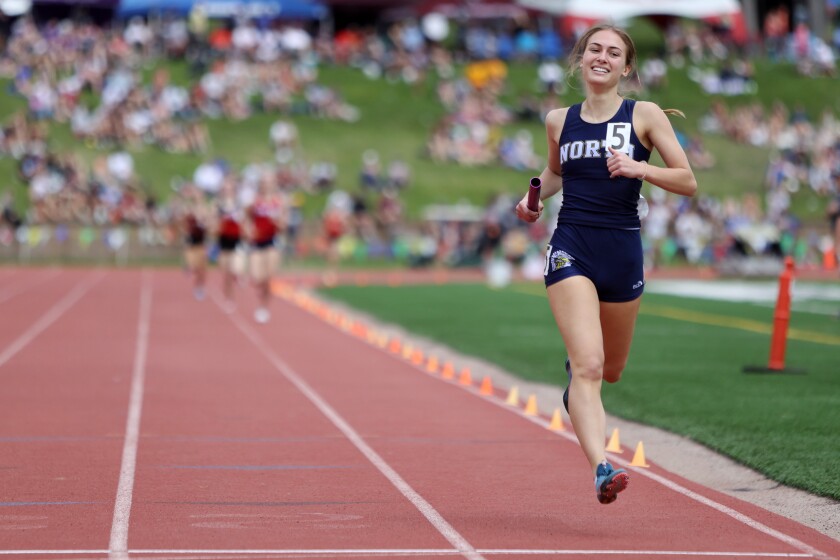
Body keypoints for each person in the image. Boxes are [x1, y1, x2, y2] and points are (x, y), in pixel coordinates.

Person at [515, 24, 697, 505]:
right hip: (571, 245)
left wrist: (641, 168)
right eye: (594, 49)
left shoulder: (644, 114)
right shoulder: (559, 120)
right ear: (580, 59)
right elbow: (556, 173)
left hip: (622, 252)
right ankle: (601, 467)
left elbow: (687, 180)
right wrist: (531, 200)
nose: (602, 57)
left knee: (610, 369)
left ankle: (579, 380)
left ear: (626, 66)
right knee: (589, 365)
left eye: (613, 52)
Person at [246, 175, 286, 324]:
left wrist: (277, 222)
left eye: (269, 183)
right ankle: (262, 290)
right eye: (264, 183)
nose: (266, 185)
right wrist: (248, 230)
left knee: (268, 277)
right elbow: (247, 217)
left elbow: (284, 225)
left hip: (272, 242)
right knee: (257, 277)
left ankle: (263, 307)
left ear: (273, 184)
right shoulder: (255, 201)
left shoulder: (279, 202)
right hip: (257, 242)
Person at [215, 179, 243, 312]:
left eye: (230, 188)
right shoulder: (218, 205)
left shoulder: (239, 204)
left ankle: (238, 276)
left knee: (235, 268)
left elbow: (245, 221)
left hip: (237, 241)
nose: (227, 191)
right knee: (226, 272)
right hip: (223, 241)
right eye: (225, 188)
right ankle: (228, 297)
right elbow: (213, 223)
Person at [180, 185, 210, 301]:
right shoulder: (189, 208)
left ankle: (199, 286)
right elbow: (183, 221)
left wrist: (204, 222)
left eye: (199, 194)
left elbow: (209, 224)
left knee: (201, 268)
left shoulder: (206, 209)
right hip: (191, 241)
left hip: (201, 241)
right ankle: (188, 266)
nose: (197, 196)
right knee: (192, 264)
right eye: (195, 194)